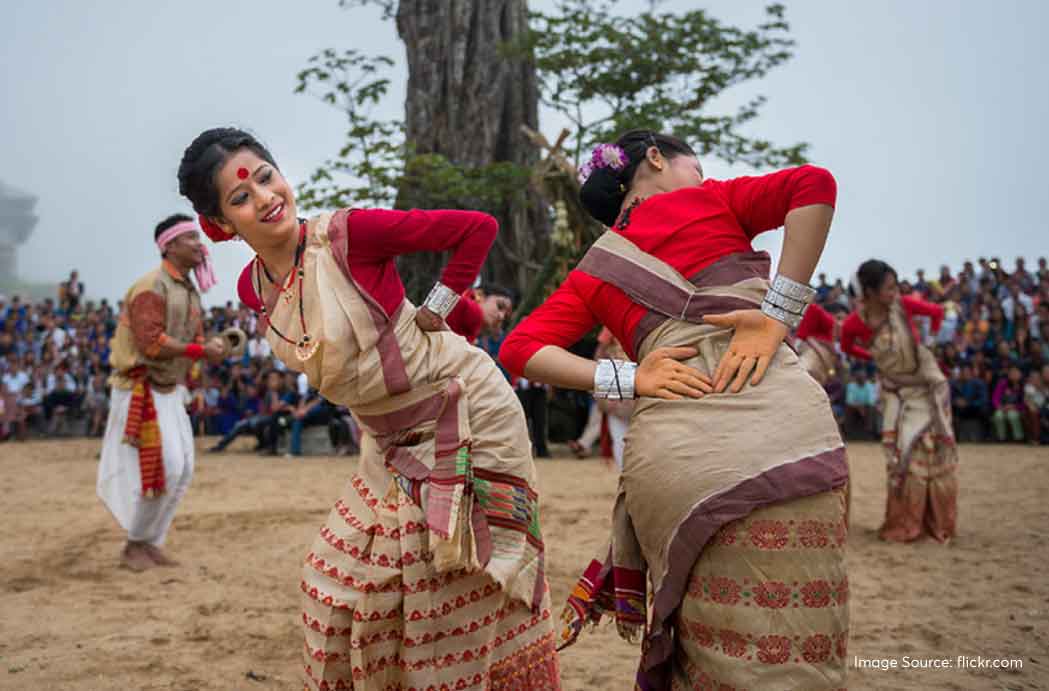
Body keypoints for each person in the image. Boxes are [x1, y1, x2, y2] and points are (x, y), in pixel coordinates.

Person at [177, 127, 561, 690]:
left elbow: (477, 229)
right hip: (385, 440)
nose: (263, 197)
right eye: (240, 198)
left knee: (452, 588)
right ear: (220, 225)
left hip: (465, 409)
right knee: (334, 589)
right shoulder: (253, 286)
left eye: (265, 176)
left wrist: (438, 307)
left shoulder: (347, 235)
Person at [500, 131, 848, 689]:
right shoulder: (713, 201)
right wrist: (778, 314)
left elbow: (518, 348)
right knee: (797, 636)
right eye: (696, 165)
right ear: (657, 159)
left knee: (702, 636)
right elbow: (815, 183)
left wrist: (631, 376)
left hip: (672, 452)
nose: (701, 177)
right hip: (776, 422)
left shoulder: (595, 268)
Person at [96, 214, 225, 572]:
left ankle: (151, 542)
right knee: (165, 467)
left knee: (182, 469)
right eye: (190, 238)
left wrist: (208, 346)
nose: (200, 245)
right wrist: (201, 351)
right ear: (168, 245)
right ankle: (134, 543)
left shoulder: (187, 288)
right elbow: (151, 344)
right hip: (142, 388)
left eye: (199, 238)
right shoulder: (151, 286)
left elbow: (190, 338)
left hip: (169, 389)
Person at [841, 259, 958, 543]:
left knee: (932, 453)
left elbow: (936, 313)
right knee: (898, 456)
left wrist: (928, 344)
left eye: (896, 286)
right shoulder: (856, 323)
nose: (895, 292)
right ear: (869, 292)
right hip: (896, 393)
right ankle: (904, 523)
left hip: (928, 390)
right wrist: (877, 360)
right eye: (889, 288)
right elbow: (846, 345)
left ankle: (936, 525)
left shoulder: (904, 306)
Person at [991, 365, 1026, 442]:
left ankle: (1018, 438)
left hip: (1016, 408)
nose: (1013, 375)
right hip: (1002, 407)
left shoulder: (1024, 385)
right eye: (1011, 373)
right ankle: (1001, 438)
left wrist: (1014, 406)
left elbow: (1024, 402)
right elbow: (995, 398)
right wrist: (1000, 407)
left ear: (1020, 374)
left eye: (1016, 373)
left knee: (1012, 416)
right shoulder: (1002, 383)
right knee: (998, 415)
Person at [844, 368, 878, 439]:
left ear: (865, 378)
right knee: (848, 409)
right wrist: (859, 408)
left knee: (871, 408)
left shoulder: (870, 386)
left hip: (866, 407)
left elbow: (871, 401)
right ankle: (848, 433)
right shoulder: (851, 386)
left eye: (863, 377)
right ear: (856, 378)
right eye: (859, 377)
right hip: (854, 407)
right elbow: (849, 401)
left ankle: (869, 432)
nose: (861, 379)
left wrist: (862, 408)